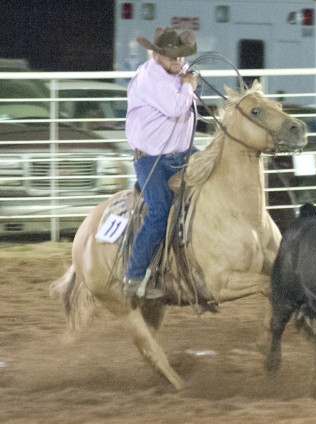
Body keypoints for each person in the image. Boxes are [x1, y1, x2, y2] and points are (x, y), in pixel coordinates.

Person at [123, 27, 198, 298]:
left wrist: (187, 80)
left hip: (182, 153)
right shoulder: (150, 78)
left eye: (181, 56)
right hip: (151, 159)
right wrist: (189, 85)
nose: (178, 61)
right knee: (159, 212)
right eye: (172, 57)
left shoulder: (177, 70)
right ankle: (133, 276)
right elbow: (176, 107)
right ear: (156, 56)